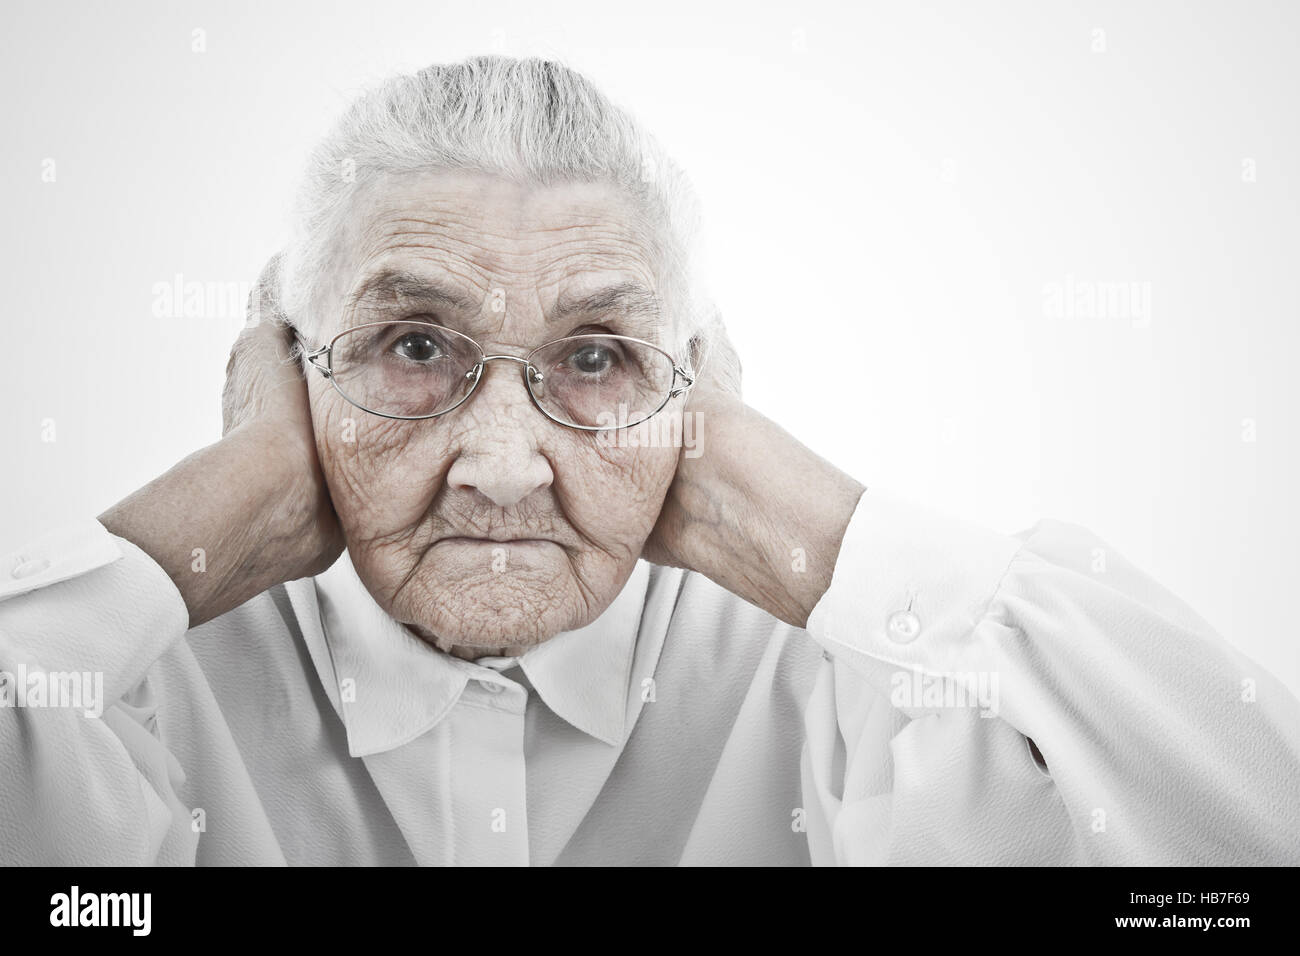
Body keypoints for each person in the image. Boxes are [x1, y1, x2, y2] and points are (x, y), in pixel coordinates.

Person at [2, 56, 1296, 866]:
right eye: (410, 345)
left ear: (701, 385)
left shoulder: (868, 702)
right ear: (287, 370)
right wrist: (210, 516)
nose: (501, 467)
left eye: (597, 358)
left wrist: (784, 504)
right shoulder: (120, 693)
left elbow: (1239, 852)